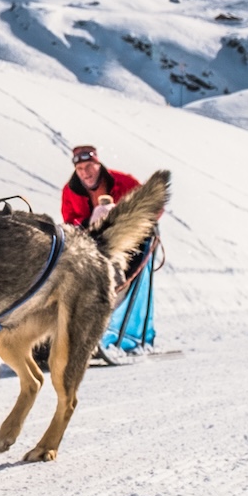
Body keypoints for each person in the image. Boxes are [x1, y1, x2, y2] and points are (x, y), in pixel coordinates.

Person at [59, 145, 157, 361]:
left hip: (129, 245)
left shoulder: (124, 183)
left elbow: (152, 205)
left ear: (98, 164)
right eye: (81, 168)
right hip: (91, 247)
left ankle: (115, 331)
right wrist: (89, 221)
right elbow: (70, 223)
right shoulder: (70, 191)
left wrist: (126, 220)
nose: (86, 172)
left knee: (120, 280)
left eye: (89, 166)